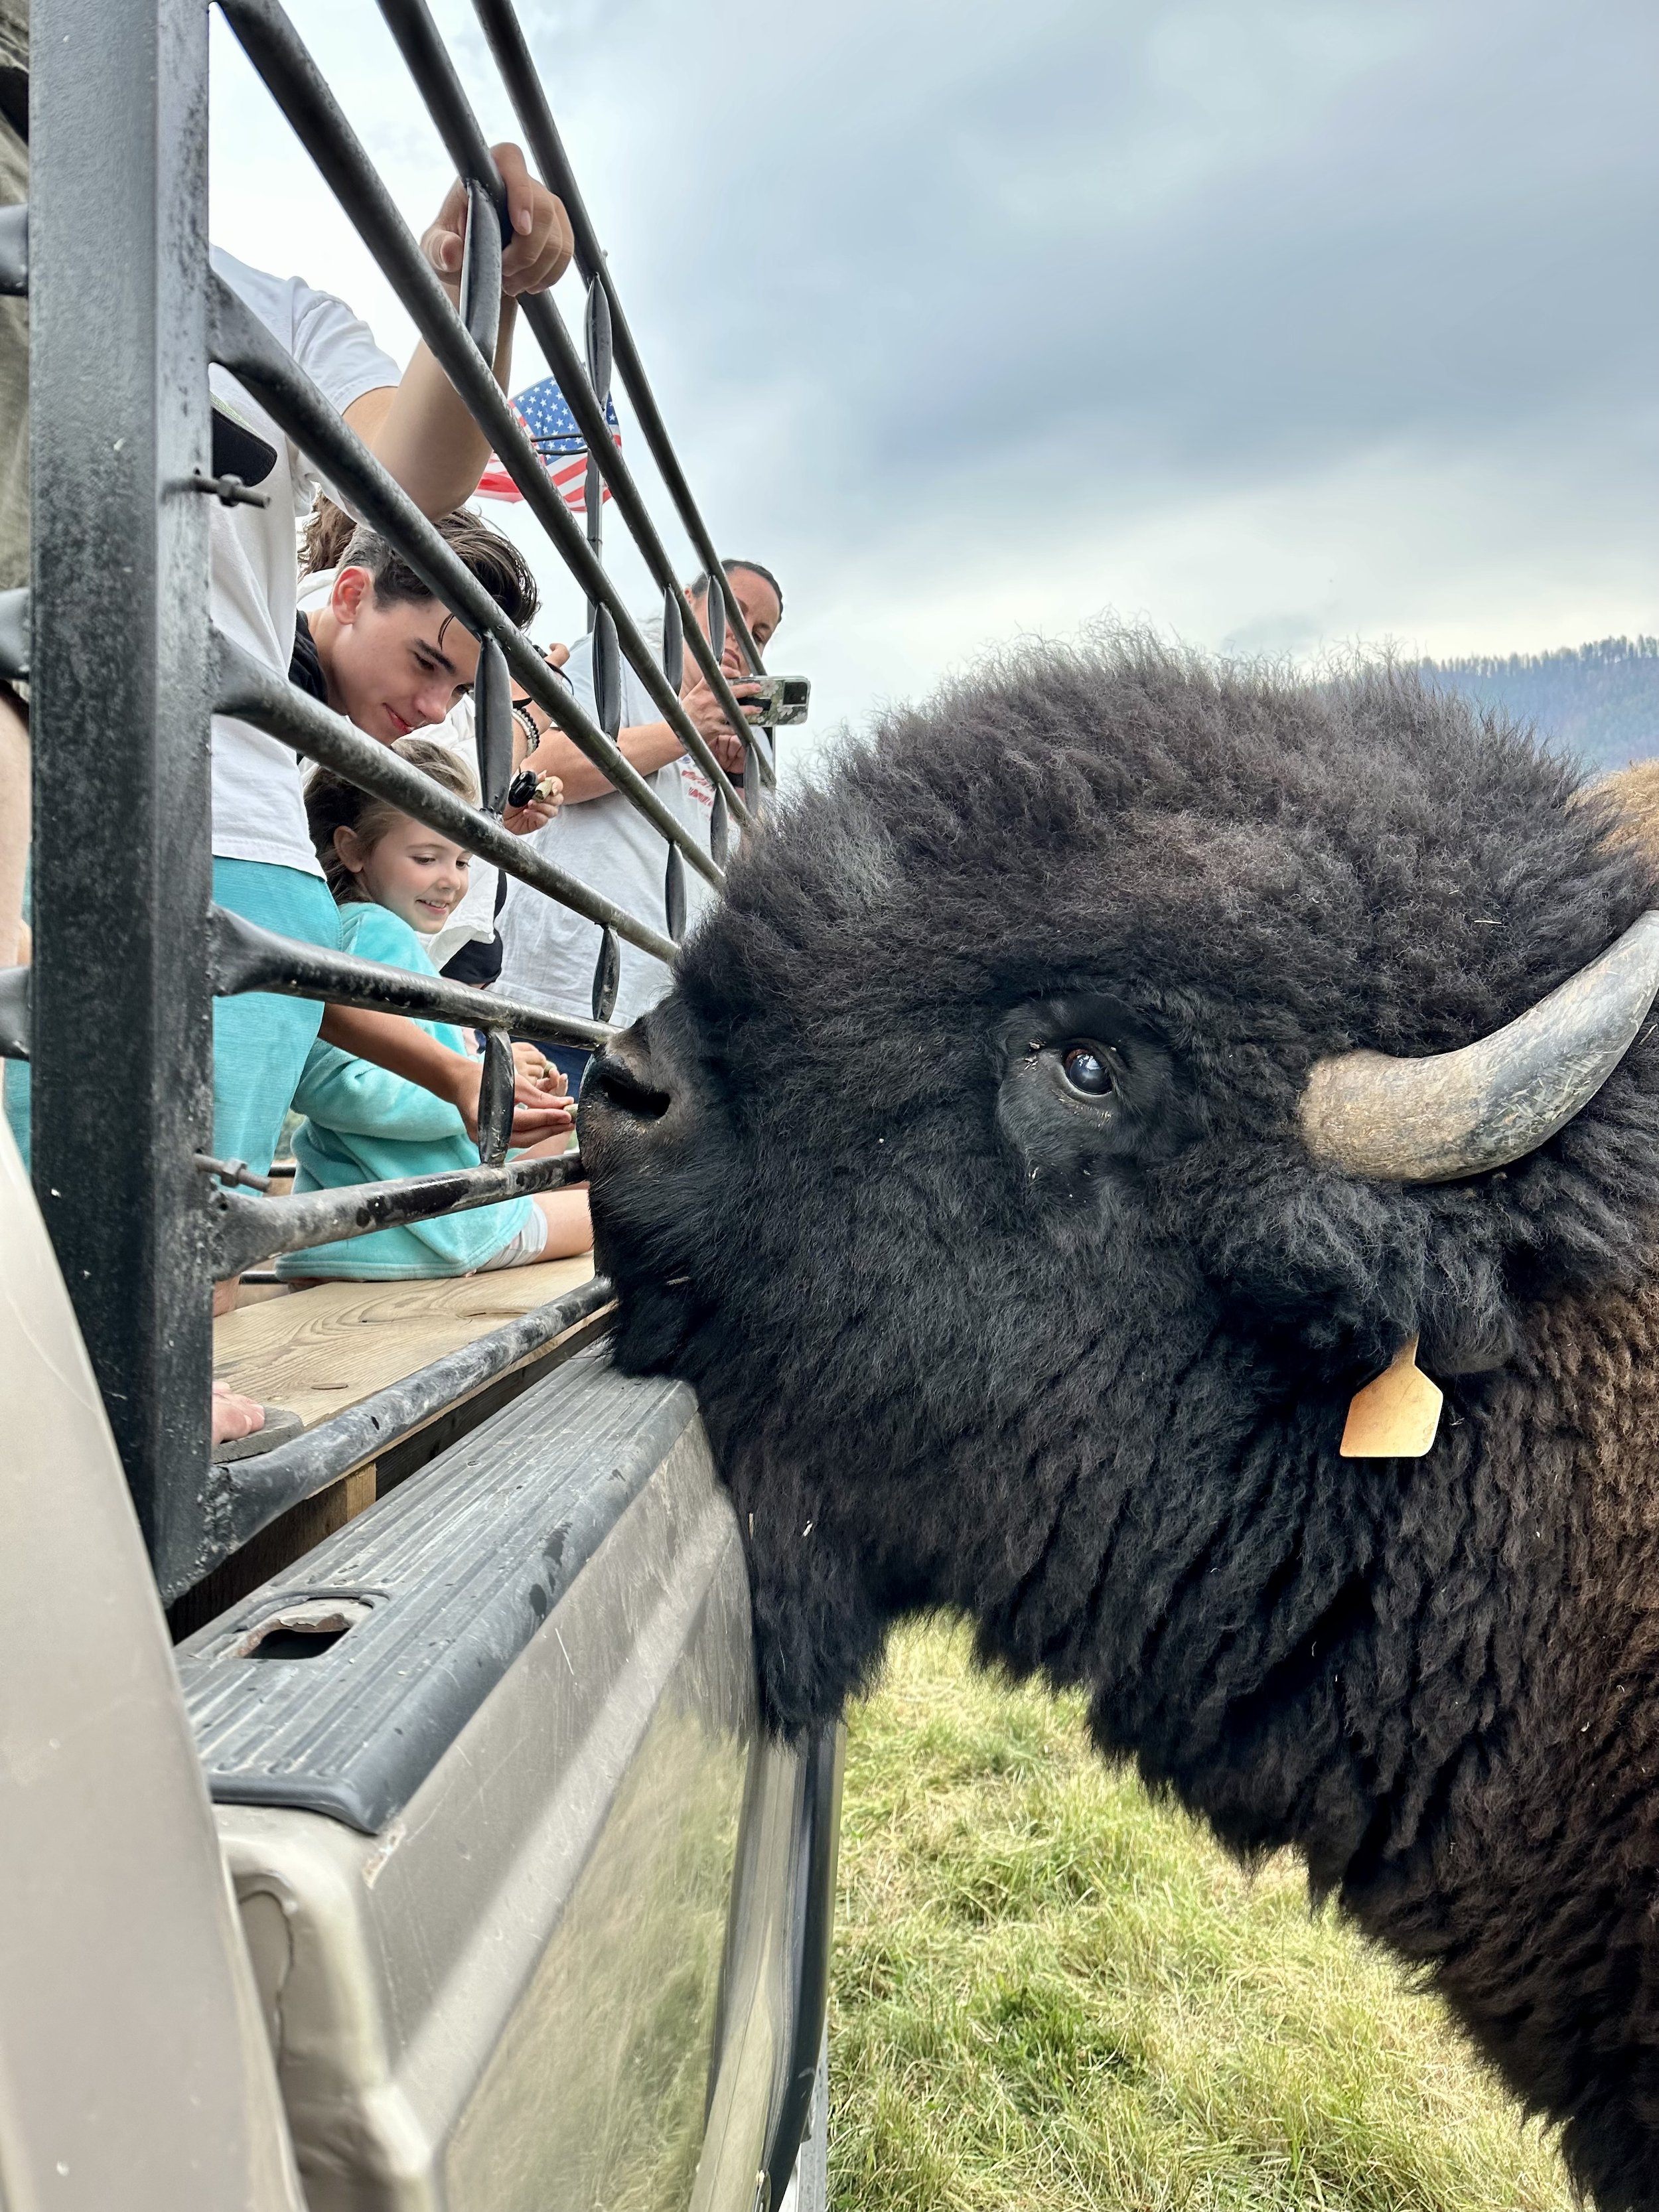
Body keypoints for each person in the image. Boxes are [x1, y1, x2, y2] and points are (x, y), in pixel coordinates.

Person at [275, 739, 590, 1282]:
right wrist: (478, 1089)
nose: (451, 879)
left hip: (382, 1217)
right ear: (353, 849)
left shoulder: (367, 934)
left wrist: (501, 1081)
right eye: (426, 858)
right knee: (609, 1210)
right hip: (418, 1227)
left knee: (557, 1145)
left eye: (463, 860)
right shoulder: (375, 933)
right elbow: (336, 1086)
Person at [495, 559, 785, 1088]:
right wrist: (684, 731)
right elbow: (541, 765)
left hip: (664, 1022)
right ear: (686, 602)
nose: (743, 637)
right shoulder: (615, 659)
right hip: (564, 988)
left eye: (760, 633)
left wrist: (741, 786)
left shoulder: (749, 734)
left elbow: (753, 874)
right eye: (732, 612)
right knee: (532, 1136)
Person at [293, 510, 569, 980]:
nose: (437, 710)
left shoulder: (310, 700)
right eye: (425, 663)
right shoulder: (278, 675)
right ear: (351, 596)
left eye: (461, 689)